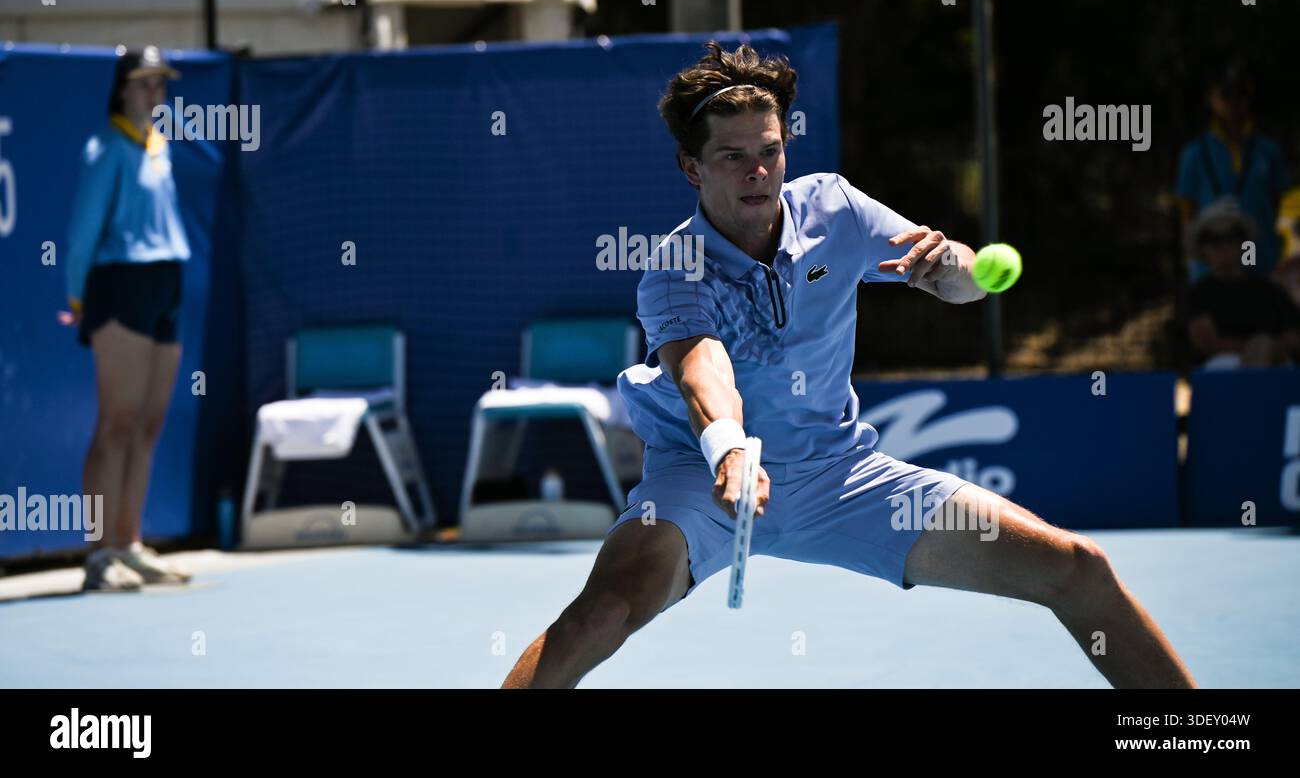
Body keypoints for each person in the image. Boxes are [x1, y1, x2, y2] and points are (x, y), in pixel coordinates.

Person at [503, 42, 1197, 688]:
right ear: (691, 167)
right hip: (700, 478)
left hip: (842, 476)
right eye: (732, 156)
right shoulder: (673, 270)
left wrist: (954, 267)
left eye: (770, 151)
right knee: (604, 611)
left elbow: (955, 276)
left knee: (1078, 569)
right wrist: (730, 452)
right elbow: (702, 371)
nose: (757, 171)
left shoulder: (835, 209)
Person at [61, 46, 194, 591]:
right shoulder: (105, 149)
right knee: (115, 425)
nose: (154, 94)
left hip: (166, 284)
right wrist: (78, 300)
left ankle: (129, 544)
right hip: (119, 287)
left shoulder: (160, 148)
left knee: (147, 425)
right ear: (122, 90)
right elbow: (81, 236)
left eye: (160, 84)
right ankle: (99, 555)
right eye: (144, 84)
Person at [1175, 60, 1290, 282]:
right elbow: (1187, 215)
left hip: (1259, 257)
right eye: (1226, 94)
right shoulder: (1194, 154)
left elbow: (1279, 206)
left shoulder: (1268, 150)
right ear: (1211, 98)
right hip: (1211, 262)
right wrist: (1192, 264)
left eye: (1242, 94)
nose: (1234, 102)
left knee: (1255, 303)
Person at [1186, 198, 1300, 369]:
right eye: (1214, 239)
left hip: (1276, 366)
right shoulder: (1199, 293)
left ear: (1244, 243)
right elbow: (1206, 343)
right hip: (1222, 370)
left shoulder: (1269, 290)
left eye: (1232, 237)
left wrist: (1267, 348)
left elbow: (1294, 336)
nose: (1224, 246)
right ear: (1202, 248)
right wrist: (1256, 347)